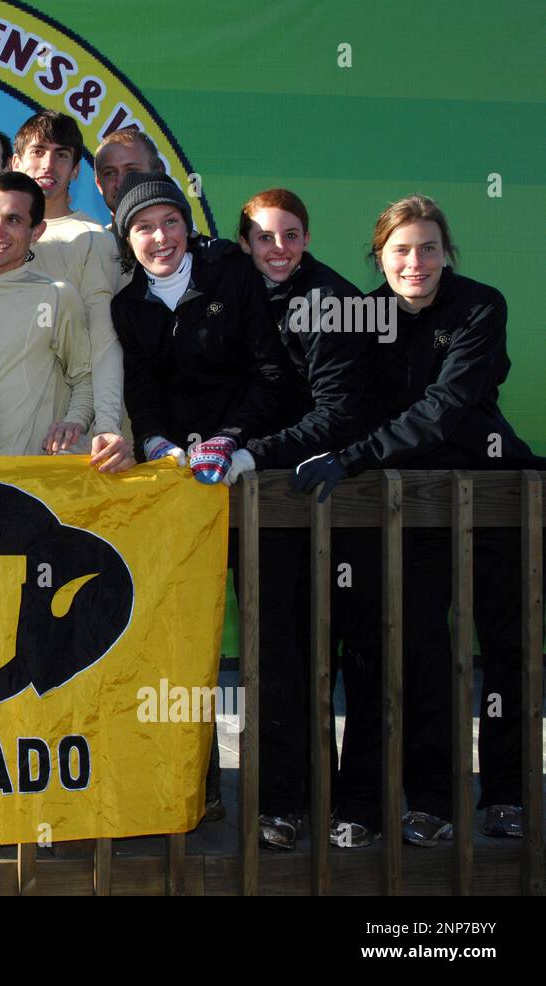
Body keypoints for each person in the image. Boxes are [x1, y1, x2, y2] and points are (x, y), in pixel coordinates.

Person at [293, 194, 545, 844]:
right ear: (379, 256)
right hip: (413, 509)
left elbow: (447, 405)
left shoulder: (481, 305)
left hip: (495, 497)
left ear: (447, 252)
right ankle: (430, 803)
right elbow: (345, 400)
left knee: (509, 653)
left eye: (429, 247)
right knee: (424, 653)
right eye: (401, 249)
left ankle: (510, 796)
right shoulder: (363, 315)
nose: (416, 261)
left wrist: (351, 457)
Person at [103, 170, 296, 820]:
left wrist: (231, 439)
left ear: (188, 227)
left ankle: (279, 804)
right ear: (128, 240)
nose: (160, 237)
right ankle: (197, 790)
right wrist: (157, 441)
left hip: (247, 479)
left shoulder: (232, 278)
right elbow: (143, 392)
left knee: (272, 643)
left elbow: (271, 374)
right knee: (182, 646)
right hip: (179, 497)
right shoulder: (127, 305)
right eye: (144, 227)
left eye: (170, 223)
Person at [225, 189, 376, 849]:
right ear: (245, 244)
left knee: (359, 659)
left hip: (345, 504)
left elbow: (341, 412)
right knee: (278, 659)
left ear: (308, 238)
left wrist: (254, 452)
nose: (278, 248)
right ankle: (284, 806)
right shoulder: (242, 295)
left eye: (290, 235)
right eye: (264, 237)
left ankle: (360, 808)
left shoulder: (333, 301)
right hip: (276, 510)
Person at [12, 112, 124, 449]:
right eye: (38, 151)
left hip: (59, 439)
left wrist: (105, 423)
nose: (49, 163)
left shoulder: (92, 239)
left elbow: (103, 344)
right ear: (16, 161)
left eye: (61, 155)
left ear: (75, 169)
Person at [0, 172, 92, 455]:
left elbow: (86, 377)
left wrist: (73, 423)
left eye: (13, 220)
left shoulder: (55, 296)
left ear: (37, 232)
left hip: (26, 477)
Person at [92, 128, 162, 226]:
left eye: (131, 171)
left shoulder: (183, 240)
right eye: (110, 173)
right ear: (99, 184)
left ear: (157, 174)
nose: (120, 183)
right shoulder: (90, 241)